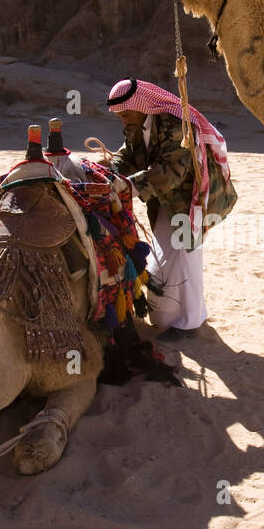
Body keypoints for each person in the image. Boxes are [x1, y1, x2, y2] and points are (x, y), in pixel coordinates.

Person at [105, 78, 230, 340]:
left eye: (126, 114)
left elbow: (170, 172)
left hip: (189, 199)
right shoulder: (136, 124)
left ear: (142, 106)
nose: (124, 121)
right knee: (164, 256)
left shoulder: (176, 125)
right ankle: (170, 316)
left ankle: (191, 323)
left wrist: (128, 185)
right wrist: (108, 171)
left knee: (185, 257)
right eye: (120, 116)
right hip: (164, 200)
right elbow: (129, 154)